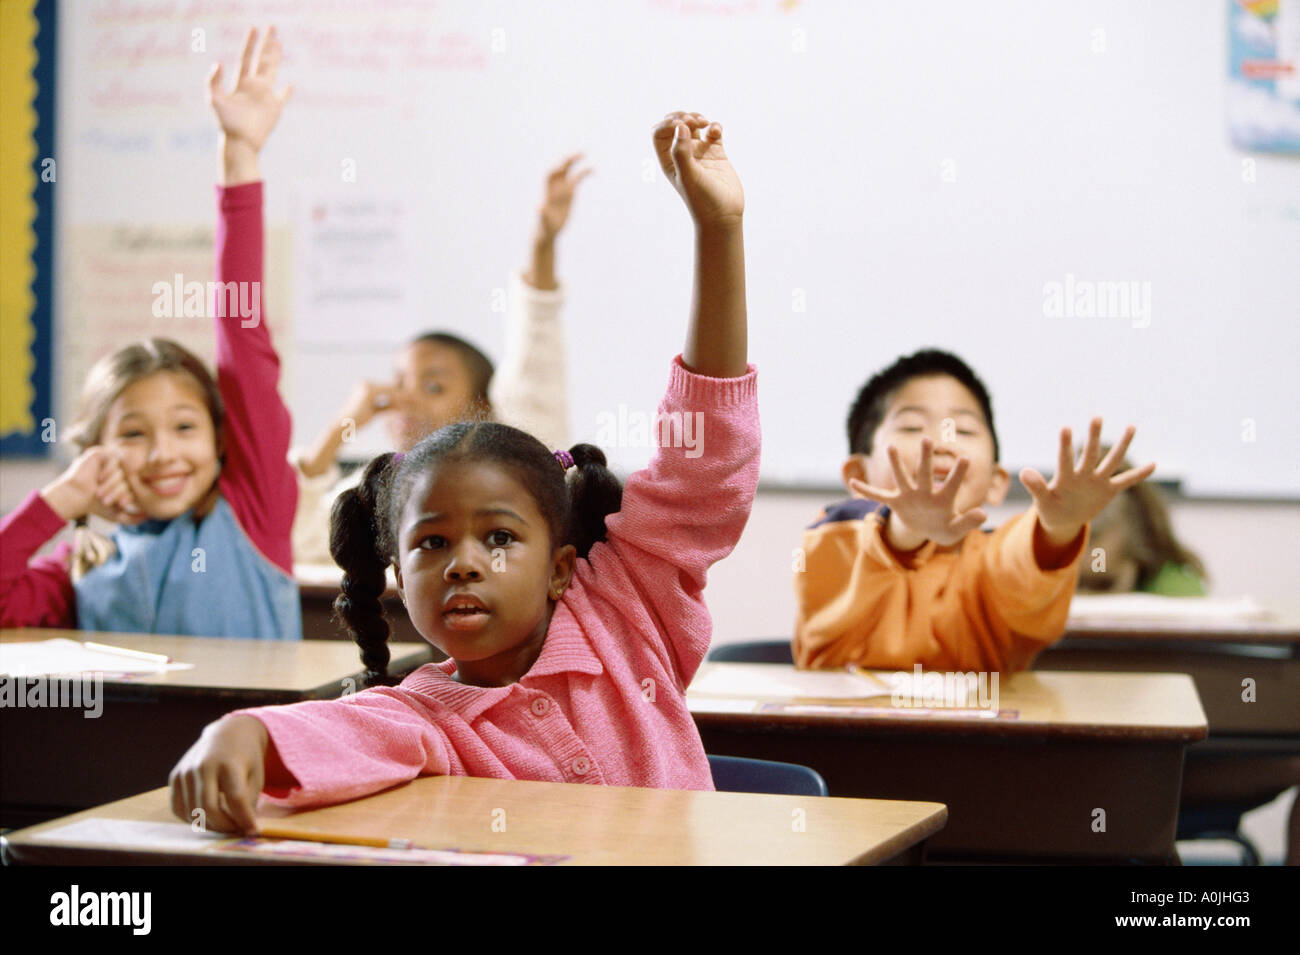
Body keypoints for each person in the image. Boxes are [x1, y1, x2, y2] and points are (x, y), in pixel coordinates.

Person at [169, 111, 756, 832]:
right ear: (396, 574)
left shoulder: (626, 609)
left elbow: (706, 455)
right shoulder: (421, 713)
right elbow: (335, 730)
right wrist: (242, 732)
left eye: (500, 538)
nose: (463, 565)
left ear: (561, 567)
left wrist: (718, 229)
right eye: (432, 543)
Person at [0, 27, 300, 639]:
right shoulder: (81, 565)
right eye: (133, 434)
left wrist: (238, 156)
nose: (163, 453)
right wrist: (62, 500)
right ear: (96, 451)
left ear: (223, 439)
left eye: (185, 428)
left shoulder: (253, 506)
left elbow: (243, 333)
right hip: (118, 742)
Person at [289, 157, 590, 567]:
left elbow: (536, 351)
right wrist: (339, 428)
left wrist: (543, 244)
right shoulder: (372, 491)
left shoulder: (519, 473)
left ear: (484, 409)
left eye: (433, 386)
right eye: (399, 382)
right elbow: (291, 543)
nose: (405, 399)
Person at [793, 348, 1154, 673]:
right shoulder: (832, 537)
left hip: (977, 744)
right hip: (838, 742)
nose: (939, 443)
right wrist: (907, 529)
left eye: (963, 430)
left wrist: (1059, 527)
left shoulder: (994, 560)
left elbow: (1026, 569)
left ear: (996, 482)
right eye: (911, 426)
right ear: (858, 475)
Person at [1075, 457, 1207, 595]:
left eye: (1102, 584)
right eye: (1078, 583)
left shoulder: (1178, 589)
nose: (1087, 596)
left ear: (1140, 556)